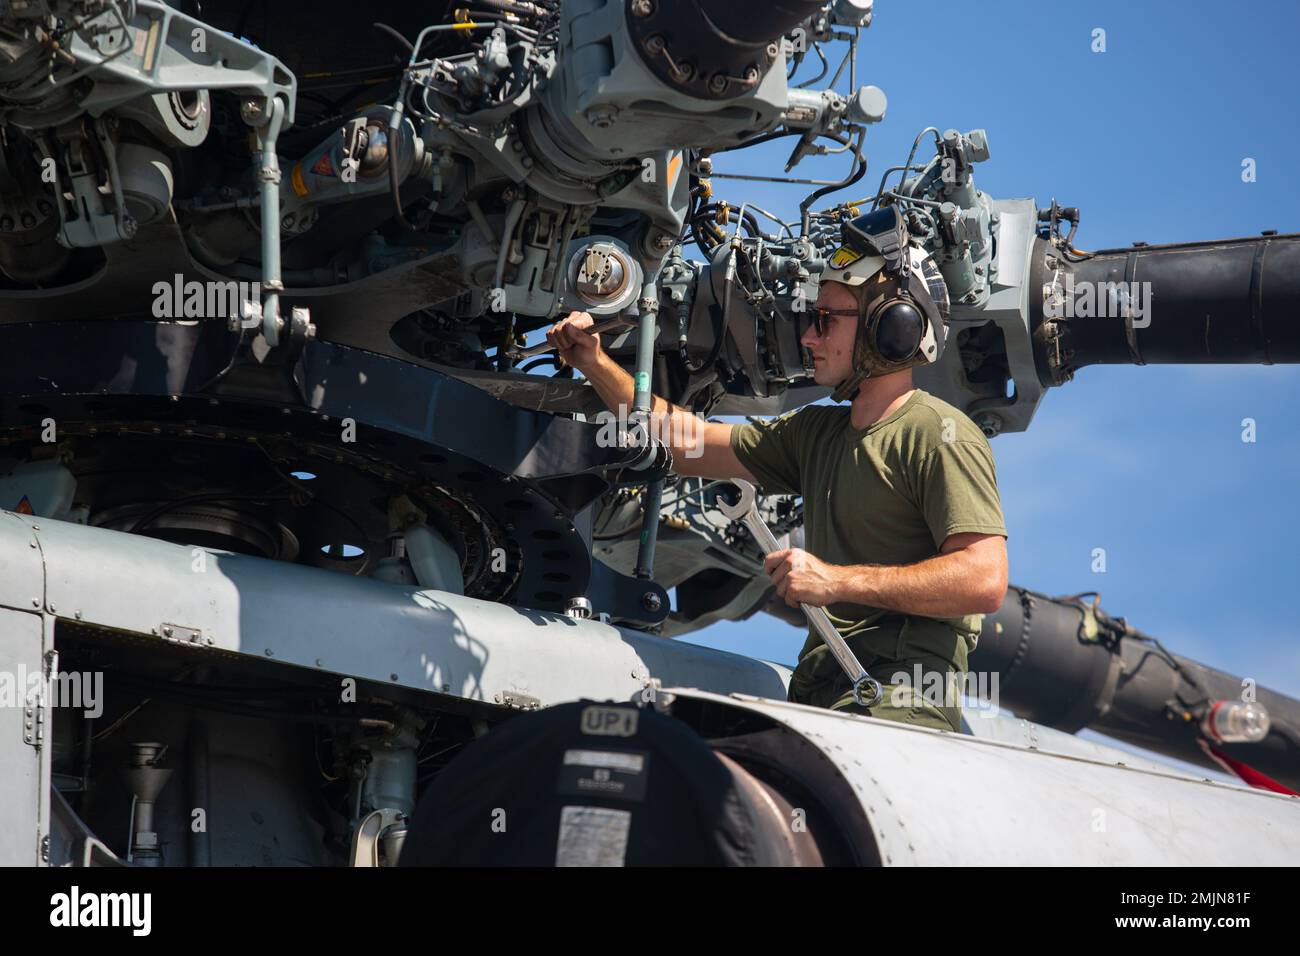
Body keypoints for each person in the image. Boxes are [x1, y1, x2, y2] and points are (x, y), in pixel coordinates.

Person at [545, 217, 1008, 733]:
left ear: (889, 326)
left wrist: (835, 581)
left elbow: (983, 578)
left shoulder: (939, 431)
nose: (809, 336)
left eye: (827, 319)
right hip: (824, 691)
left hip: (900, 698)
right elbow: (688, 443)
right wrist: (593, 361)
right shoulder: (817, 434)